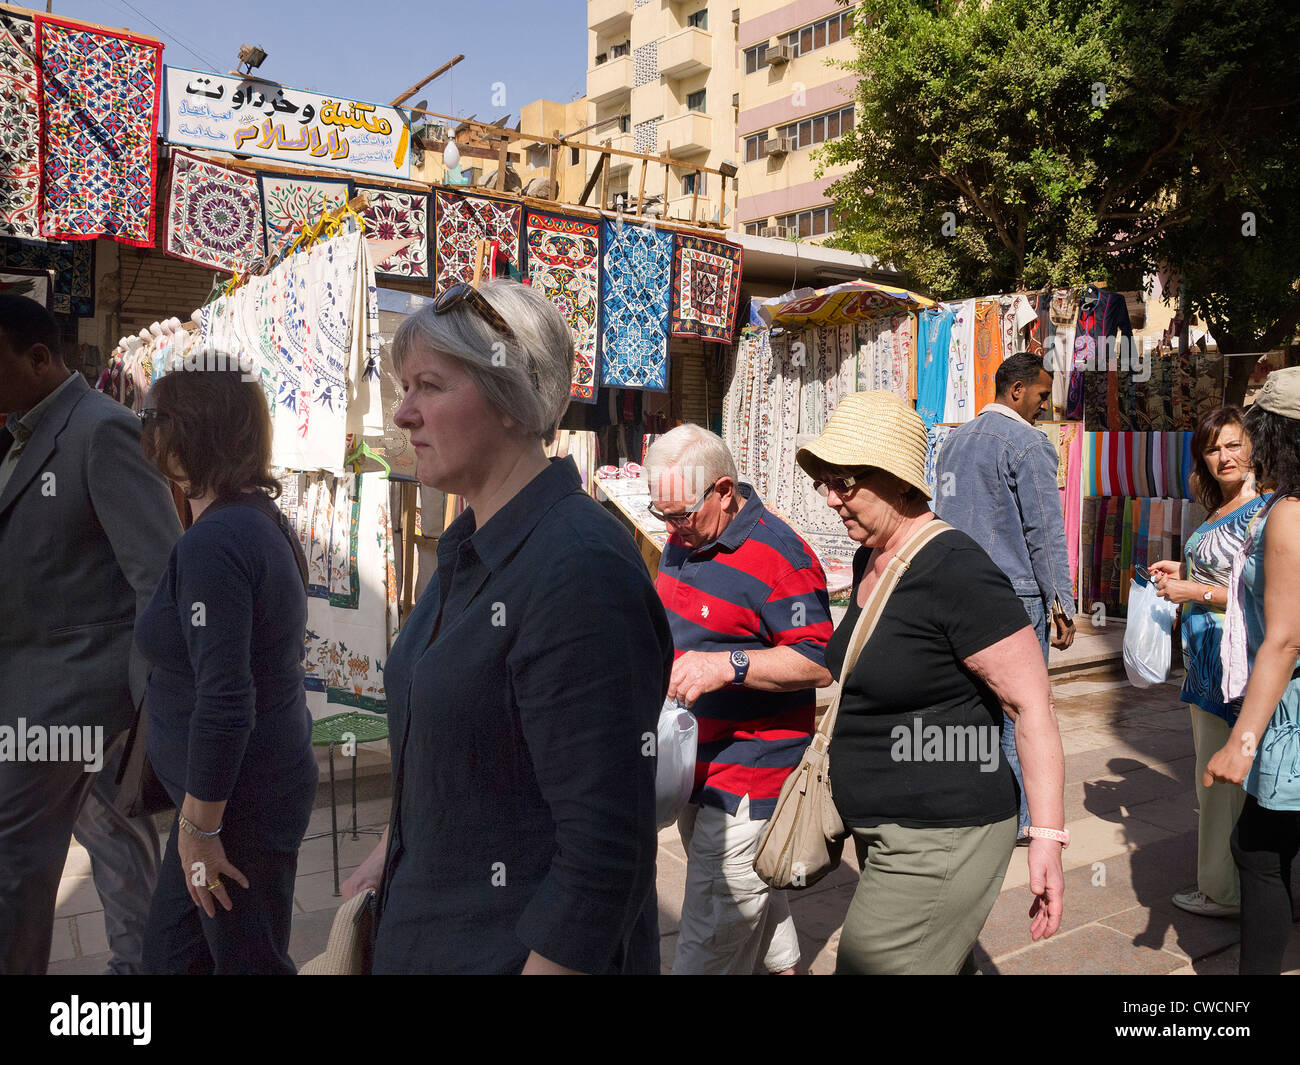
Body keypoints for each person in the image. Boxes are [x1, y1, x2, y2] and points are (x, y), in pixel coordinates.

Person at [342, 280, 673, 974]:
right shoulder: (470, 548)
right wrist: (392, 850)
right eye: (405, 387)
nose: (403, 414)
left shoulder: (578, 570)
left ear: (511, 397)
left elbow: (604, 855)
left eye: (429, 385)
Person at [798, 390, 1066, 974]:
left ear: (897, 481)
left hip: (941, 832)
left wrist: (1046, 836)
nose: (831, 499)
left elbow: (1032, 707)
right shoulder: (874, 558)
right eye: (826, 482)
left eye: (844, 482)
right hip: (890, 829)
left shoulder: (956, 568)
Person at [0, 294, 181, 975]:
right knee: (117, 850)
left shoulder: (101, 430)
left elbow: (158, 577)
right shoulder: (21, 430)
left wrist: (138, 712)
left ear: (40, 357)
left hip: (73, 705)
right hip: (39, 694)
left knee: (16, 866)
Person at [134, 366, 318, 974]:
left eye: (152, 418)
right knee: (174, 957)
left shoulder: (217, 540)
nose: (145, 432)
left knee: (246, 961)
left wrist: (199, 829)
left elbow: (227, 698)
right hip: (231, 800)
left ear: (188, 431)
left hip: (232, 809)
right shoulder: (251, 518)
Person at [644, 424, 833, 976]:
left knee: (706, 944)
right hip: (692, 766)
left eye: (682, 515)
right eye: (663, 515)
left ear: (723, 491)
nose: (673, 530)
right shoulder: (685, 536)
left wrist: (727, 664)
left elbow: (819, 661)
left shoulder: (782, 558)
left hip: (751, 775)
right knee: (749, 903)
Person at [935, 352, 1076, 843]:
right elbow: (1045, 530)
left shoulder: (954, 442)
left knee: (972, 705)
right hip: (1014, 597)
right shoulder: (1027, 443)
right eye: (1041, 395)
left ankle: (975, 805)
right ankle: (1016, 816)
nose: (1044, 405)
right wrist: (1062, 602)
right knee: (1023, 708)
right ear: (1017, 391)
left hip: (956, 593)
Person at [1203, 367, 1300, 975]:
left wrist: (1243, 743)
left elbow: (1285, 637)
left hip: (1291, 713)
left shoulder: (1289, 513)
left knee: (1257, 852)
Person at [1149, 407, 1264, 917]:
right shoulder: (1221, 509)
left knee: (1220, 783)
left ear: (1254, 447)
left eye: (1234, 444)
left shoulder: (1262, 511)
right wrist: (1183, 569)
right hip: (1207, 664)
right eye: (1214, 448)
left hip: (1236, 666)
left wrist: (1194, 589)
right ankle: (1246, 885)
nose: (1224, 457)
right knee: (1217, 778)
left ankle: (1224, 891)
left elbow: (1263, 592)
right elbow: (1225, 571)